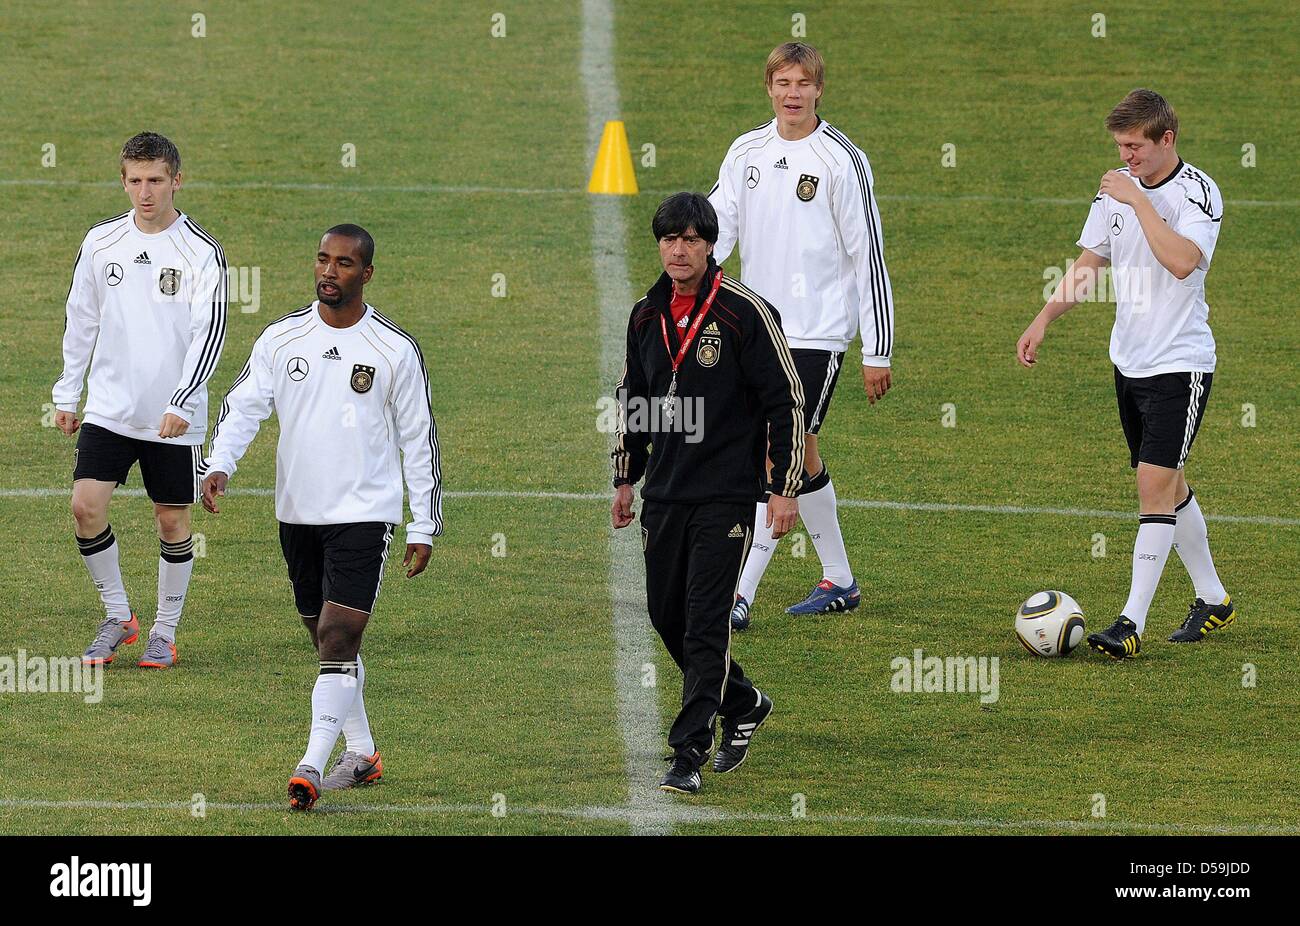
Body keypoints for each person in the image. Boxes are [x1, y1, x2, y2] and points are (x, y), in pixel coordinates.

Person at [201, 224, 442, 809]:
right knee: (323, 639)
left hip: (365, 513)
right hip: (298, 512)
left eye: (343, 263)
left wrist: (422, 524)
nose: (329, 271)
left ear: (366, 273)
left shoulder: (393, 350)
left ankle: (309, 766)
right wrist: (219, 464)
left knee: (338, 635)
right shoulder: (283, 340)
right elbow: (245, 406)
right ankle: (363, 752)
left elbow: (418, 438)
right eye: (322, 260)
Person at [1016, 89, 1234, 658]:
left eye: (1135, 146)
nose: (1126, 157)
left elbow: (1184, 261)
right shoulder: (1117, 187)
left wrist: (1139, 202)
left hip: (1179, 365)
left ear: (1167, 140)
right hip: (1129, 361)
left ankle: (1128, 624)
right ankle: (1212, 597)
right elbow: (1091, 262)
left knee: (1152, 488)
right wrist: (1043, 319)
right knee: (1169, 484)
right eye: (1120, 147)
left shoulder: (1197, 192)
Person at [611, 192, 805, 794]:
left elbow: (786, 402)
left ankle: (688, 752)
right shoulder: (646, 314)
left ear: (711, 245)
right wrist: (625, 477)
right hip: (664, 494)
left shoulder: (746, 312)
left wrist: (783, 488)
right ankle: (742, 700)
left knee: (704, 623)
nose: (678, 249)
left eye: (691, 239)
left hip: (726, 495)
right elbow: (634, 400)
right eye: (669, 239)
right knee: (664, 615)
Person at [708, 42, 896, 630]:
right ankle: (839, 579)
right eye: (783, 81)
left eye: (803, 83)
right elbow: (718, 229)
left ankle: (738, 595)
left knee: (775, 451)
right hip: (756, 330)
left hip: (818, 332)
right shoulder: (747, 151)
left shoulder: (843, 161)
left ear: (819, 89)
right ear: (769, 88)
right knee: (801, 452)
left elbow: (868, 257)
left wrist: (877, 348)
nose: (793, 92)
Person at [54, 132, 227, 669]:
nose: (145, 192)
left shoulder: (200, 252)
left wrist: (183, 399)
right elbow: (81, 317)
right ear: (123, 181)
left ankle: (164, 632)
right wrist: (68, 389)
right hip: (110, 407)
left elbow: (210, 331)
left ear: (177, 179)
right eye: (135, 181)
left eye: (156, 180)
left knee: (172, 521)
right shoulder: (102, 242)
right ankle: (118, 616)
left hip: (174, 418)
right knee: (85, 506)